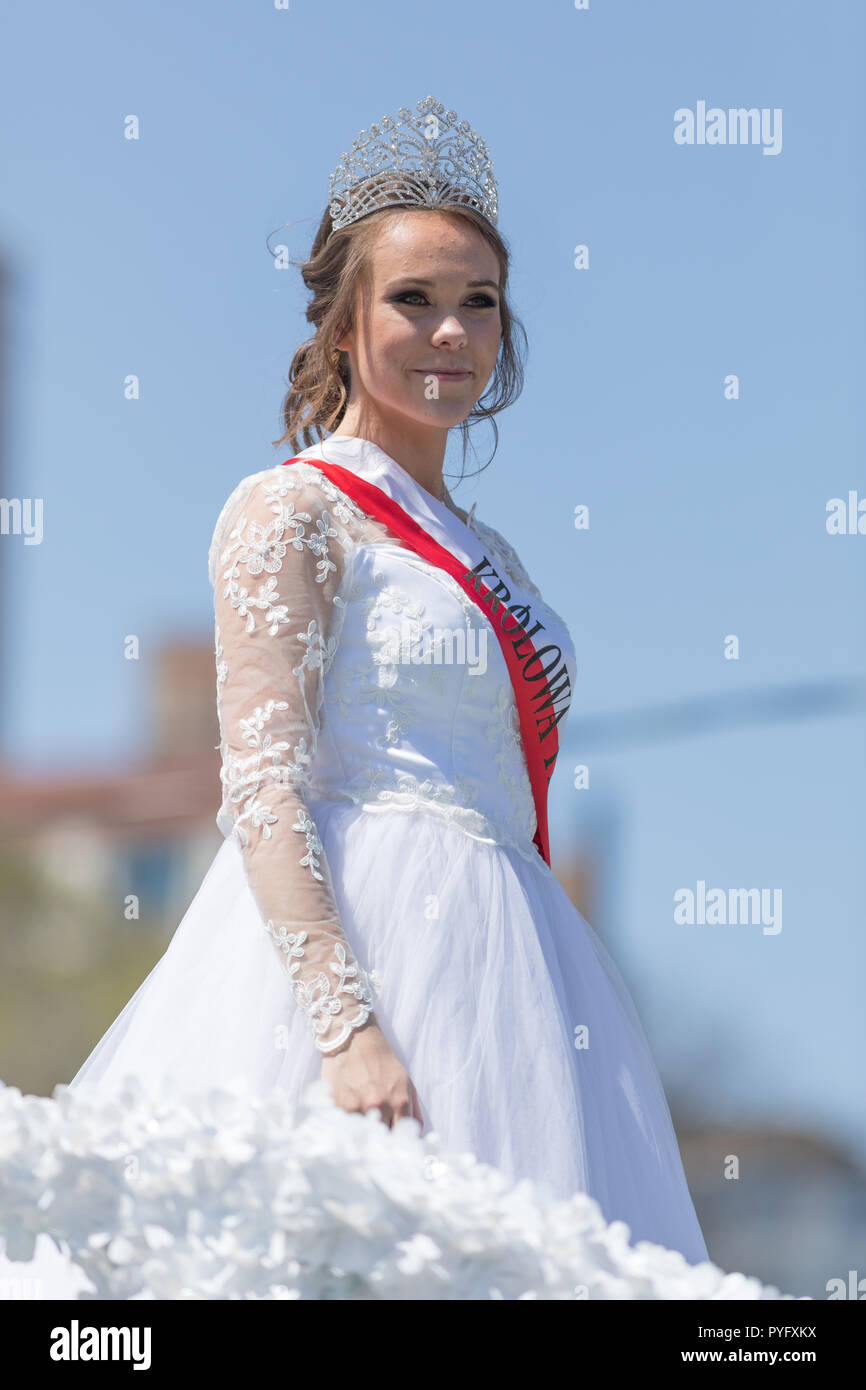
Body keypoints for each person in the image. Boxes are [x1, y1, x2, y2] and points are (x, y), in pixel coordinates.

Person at [5, 95, 710, 1280]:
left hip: (524, 968)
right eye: (412, 300)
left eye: (477, 303)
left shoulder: (498, 555)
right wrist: (345, 1028)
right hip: (360, 948)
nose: (450, 333)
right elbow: (263, 791)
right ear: (342, 325)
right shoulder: (293, 509)